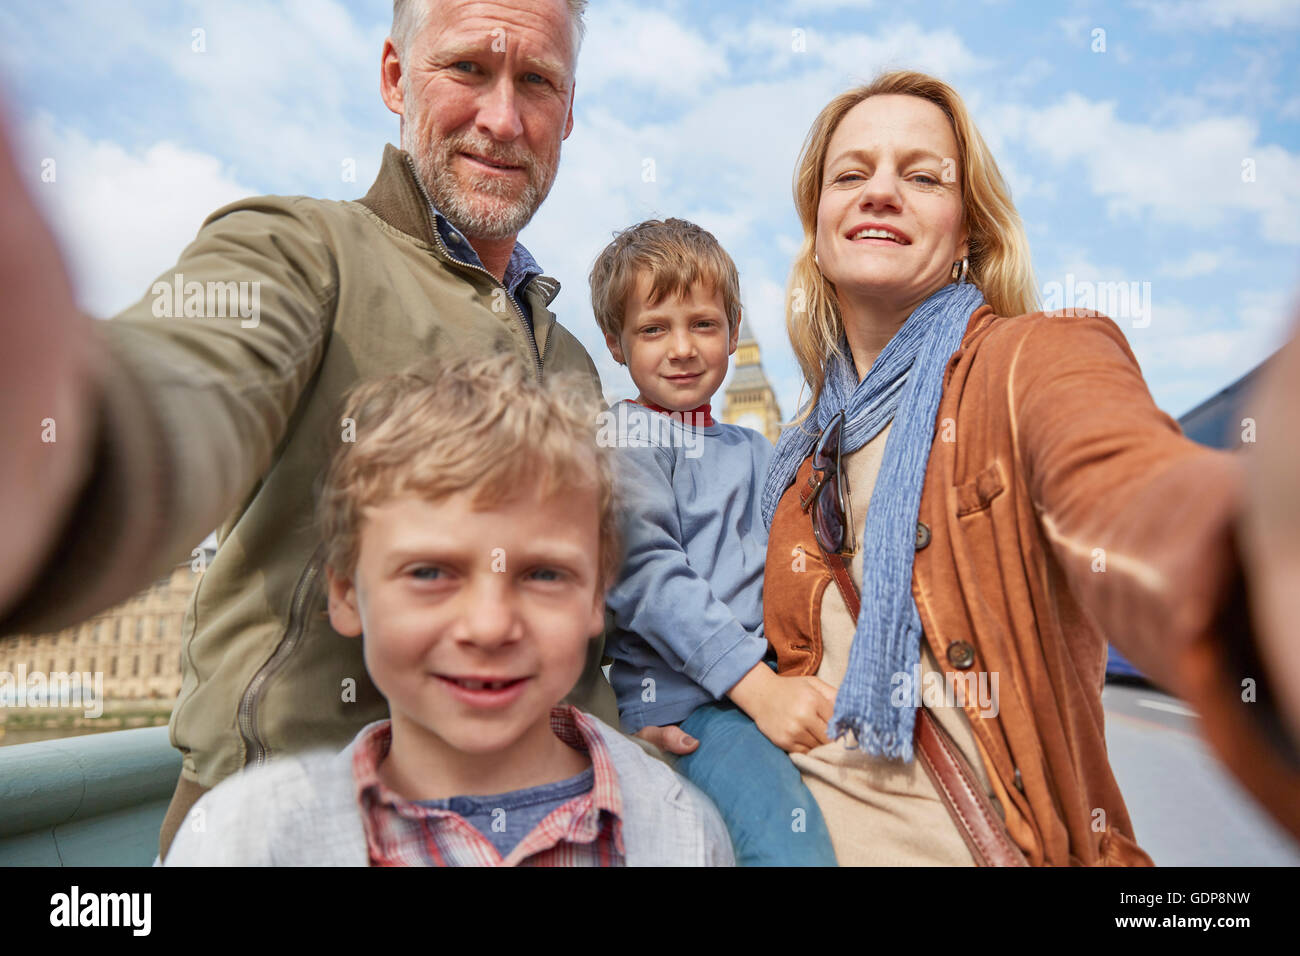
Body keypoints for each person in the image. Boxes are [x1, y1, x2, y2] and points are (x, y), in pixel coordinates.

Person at [0, 0, 705, 863]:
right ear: (394, 76)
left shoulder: (571, 361)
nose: (502, 117)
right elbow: (185, 391)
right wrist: (56, 444)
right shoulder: (298, 253)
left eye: (537, 82)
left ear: (570, 110)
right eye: (468, 71)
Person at [747, 70, 1300, 865]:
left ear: (969, 230)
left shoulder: (1036, 360)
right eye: (851, 174)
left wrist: (1252, 561)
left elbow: (1129, 494)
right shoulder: (793, 461)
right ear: (821, 224)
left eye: (923, 175)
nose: (880, 192)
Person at [162, 352, 734, 866]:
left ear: (595, 597)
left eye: (542, 574)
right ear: (345, 594)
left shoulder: (686, 831)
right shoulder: (241, 841)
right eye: (431, 573)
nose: (488, 627)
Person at [589, 218, 837, 866]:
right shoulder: (628, 442)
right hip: (699, 705)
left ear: (733, 331)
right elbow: (650, 578)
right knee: (791, 848)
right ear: (616, 344)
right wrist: (759, 691)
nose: (682, 348)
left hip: (772, 683)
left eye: (703, 324)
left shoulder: (756, 450)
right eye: (653, 329)